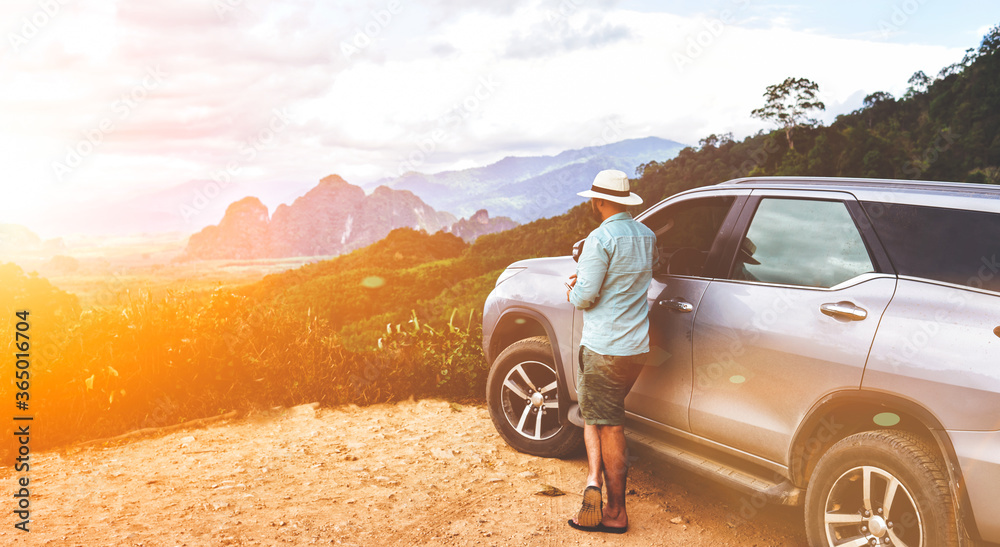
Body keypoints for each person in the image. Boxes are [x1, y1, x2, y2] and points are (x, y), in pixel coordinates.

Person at [565, 169, 656, 535]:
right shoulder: (647, 236)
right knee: (598, 415)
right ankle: (594, 479)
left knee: (610, 424)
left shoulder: (599, 238)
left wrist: (571, 290)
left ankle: (615, 511)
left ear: (600, 201)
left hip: (604, 348)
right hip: (636, 347)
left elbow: (585, 296)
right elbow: (628, 281)